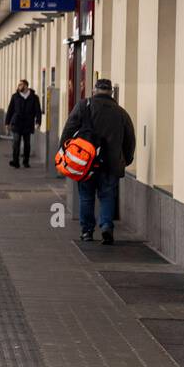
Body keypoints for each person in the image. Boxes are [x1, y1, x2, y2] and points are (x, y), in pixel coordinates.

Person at [61, 78, 136, 245]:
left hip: (86, 162)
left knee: (86, 196)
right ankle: (106, 228)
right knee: (107, 196)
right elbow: (130, 140)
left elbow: (69, 129)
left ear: (94, 90)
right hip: (111, 164)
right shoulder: (121, 112)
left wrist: (64, 151)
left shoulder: (83, 106)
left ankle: (87, 231)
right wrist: (126, 159)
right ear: (111, 92)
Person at [5, 79, 42, 168]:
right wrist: (7, 122)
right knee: (16, 142)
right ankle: (15, 161)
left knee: (27, 143)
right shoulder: (15, 96)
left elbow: (38, 111)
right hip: (16, 123)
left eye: (21, 85)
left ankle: (26, 161)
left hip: (28, 123)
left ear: (26, 86)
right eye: (18, 85)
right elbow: (10, 110)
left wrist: (38, 122)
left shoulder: (34, 97)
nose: (19, 86)